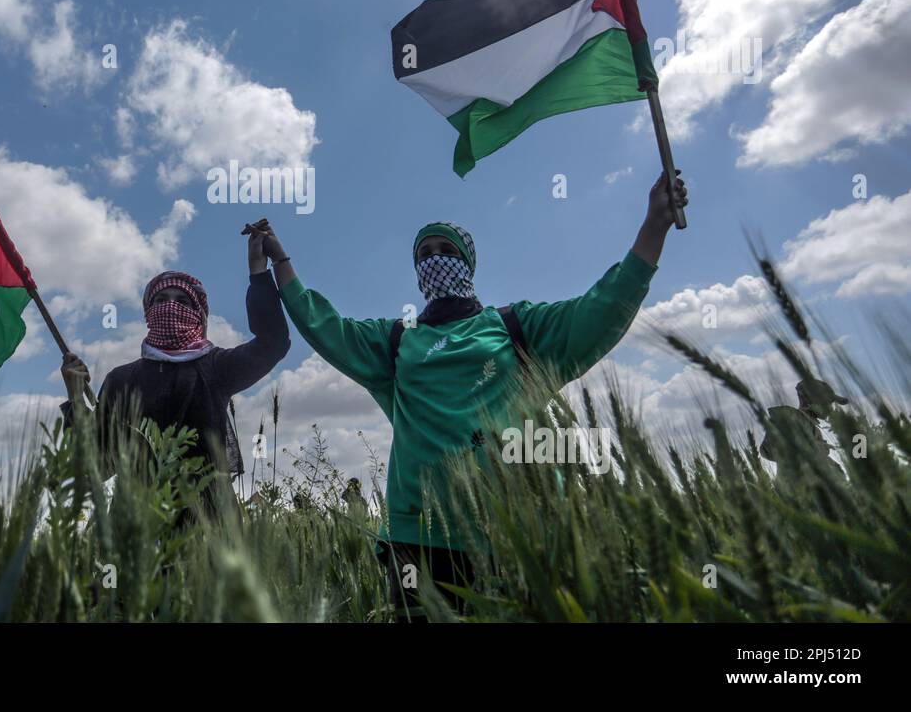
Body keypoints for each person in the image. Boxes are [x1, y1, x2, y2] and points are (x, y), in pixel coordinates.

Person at [255, 170, 689, 620]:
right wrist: (281, 260)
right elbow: (326, 326)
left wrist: (652, 228)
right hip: (420, 537)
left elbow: (599, 309)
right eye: (424, 253)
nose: (434, 260)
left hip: (518, 531)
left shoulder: (514, 326)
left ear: (468, 262)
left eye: (446, 251)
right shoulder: (397, 341)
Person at [59, 221, 290, 489]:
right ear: (148, 312)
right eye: (161, 300)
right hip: (140, 521)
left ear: (198, 315)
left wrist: (259, 270)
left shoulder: (216, 367)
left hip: (209, 518)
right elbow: (95, 468)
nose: (170, 306)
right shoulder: (121, 380)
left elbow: (272, 343)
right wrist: (76, 397)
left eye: (182, 301)